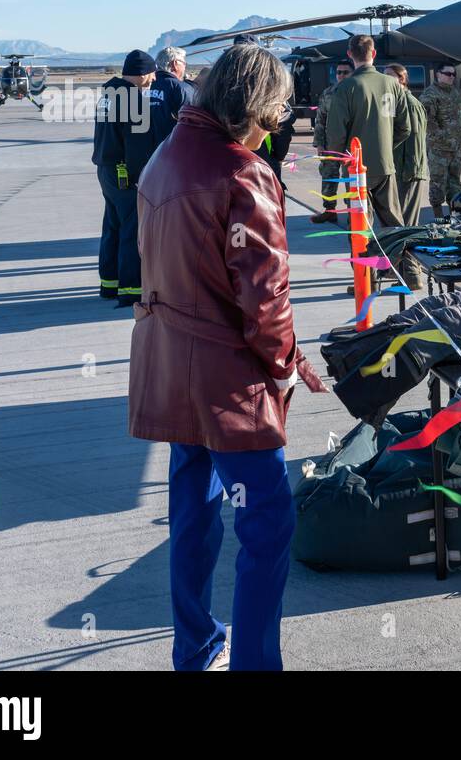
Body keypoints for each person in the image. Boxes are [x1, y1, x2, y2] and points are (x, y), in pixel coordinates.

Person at [128, 44, 326, 672]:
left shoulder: (164, 156)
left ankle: (195, 648)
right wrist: (288, 363)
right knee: (267, 524)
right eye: (272, 117)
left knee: (194, 515)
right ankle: (257, 663)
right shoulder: (245, 174)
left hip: (171, 366)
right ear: (254, 107)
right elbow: (265, 299)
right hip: (225, 382)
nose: (273, 129)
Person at [91, 49, 157, 307]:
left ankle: (109, 283)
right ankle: (131, 289)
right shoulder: (134, 101)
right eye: (151, 74)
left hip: (106, 170)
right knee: (132, 228)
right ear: (141, 74)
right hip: (124, 173)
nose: (153, 79)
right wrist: (143, 176)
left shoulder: (109, 95)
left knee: (113, 225)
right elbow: (137, 146)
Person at [324, 35, 411, 232]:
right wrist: (385, 147)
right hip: (385, 165)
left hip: (355, 168)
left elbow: (336, 135)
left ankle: (365, 263)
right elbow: (404, 127)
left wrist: (340, 159)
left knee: (360, 225)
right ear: (374, 54)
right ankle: (398, 261)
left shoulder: (345, 87)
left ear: (349, 54)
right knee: (394, 225)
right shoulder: (393, 84)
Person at [384, 62, 428, 289]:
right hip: (401, 170)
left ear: (402, 80)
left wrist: (405, 172)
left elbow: (413, 142)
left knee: (406, 226)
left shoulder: (409, 104)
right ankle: (398, 271)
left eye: (390, 77)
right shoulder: (395, 102)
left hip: (408, 172)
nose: (385, 81)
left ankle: (412, 275)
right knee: (397, 225)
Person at [309, 59, 353, 224]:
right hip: (330, 144)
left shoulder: (356, 91)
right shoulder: (328, 93)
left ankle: (352, 211)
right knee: (328, 176)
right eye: (338, 72)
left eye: (345, 72)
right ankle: (329, 210)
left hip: (351, 144)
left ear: (353, 73)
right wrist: (319, 144)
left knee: (351, 179)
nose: (341, 75)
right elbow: (320, 120)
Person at [419, 62, 461, 219]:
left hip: (456, 148)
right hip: (439, 149)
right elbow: (427, 122)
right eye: (448, 74)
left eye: (453, 74)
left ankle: (455, 215)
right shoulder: (430, 94)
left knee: (455, 183)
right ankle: (438, 216)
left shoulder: (454, 93)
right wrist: (443, 138)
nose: (451, 77)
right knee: (438, 182)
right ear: (438, 74)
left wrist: (458, 140)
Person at [149, 46, 196, 143]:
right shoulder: (182, 88)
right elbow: (191, 123)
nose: (184, 67)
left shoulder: (145, 85)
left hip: (145, 151)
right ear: (175, 64)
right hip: (172, 148)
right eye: (184, 63)